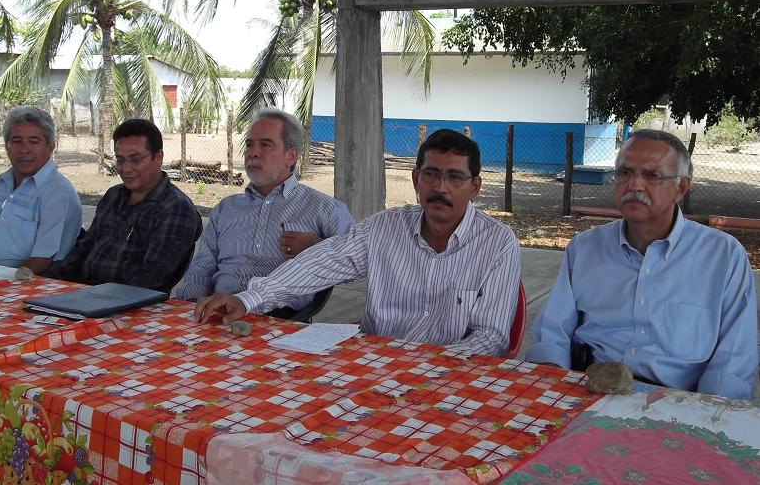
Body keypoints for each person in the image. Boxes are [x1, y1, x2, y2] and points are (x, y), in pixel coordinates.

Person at [194, 128, 521, 356]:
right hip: (372, 366)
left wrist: (430, 366)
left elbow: (490, 337)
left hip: (448, 376)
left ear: (475, 186)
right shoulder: (383, 228)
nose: (441, 187)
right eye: (431, 174)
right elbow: (319, 262)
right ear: (415, 180)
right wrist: (249, 299)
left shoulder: (497, 244)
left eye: (455, 177)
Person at [527, 129, 758, 400]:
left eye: (652, 175)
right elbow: (552, 331)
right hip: (588, 389)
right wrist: (551, 387)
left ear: (680, 188)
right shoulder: (585, 248)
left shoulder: (723, 256)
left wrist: (705, 414)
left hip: (678, 400)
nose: (634, 186)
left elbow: (733, 360)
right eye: (625, 173)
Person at [173, 108, 354, 310]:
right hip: (216, 315)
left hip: (280, 322)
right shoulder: (226, 209)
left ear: (291, 156)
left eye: (266, 145)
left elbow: (358, 272)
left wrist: (319, 249)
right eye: (249, 145)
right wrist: (187, 309)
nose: (253, 152)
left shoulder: (326, 210)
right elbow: (201, 269)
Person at [45, 119, 202, 292]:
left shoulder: (175, 209)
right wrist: (46, 282)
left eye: (135, 160)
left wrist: (95, 295)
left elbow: (153, 276)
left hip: (129, 307)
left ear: (158, 157)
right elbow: (84, 249)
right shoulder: (114, 196)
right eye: (120, 160)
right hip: (82, 292)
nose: (125, 169)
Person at [0, 106, 81, 273]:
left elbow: (41, 261)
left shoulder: (57, 193)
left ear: (51, 147)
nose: (24, 149)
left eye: (34, 142)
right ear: (7, 146)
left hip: (15, 284)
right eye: (17, 141)